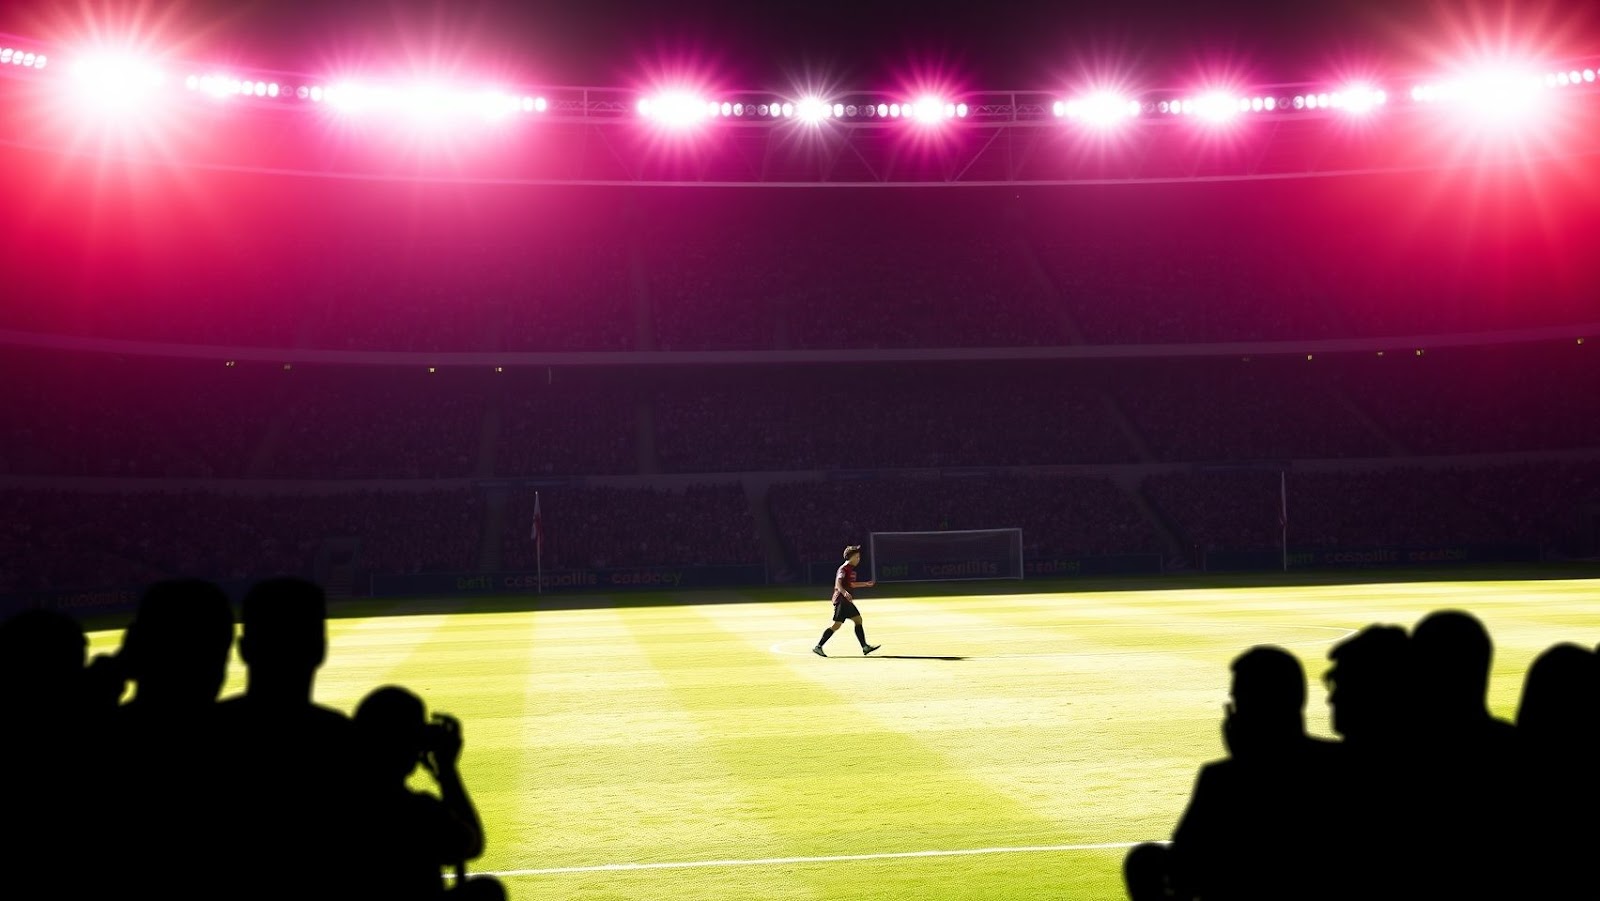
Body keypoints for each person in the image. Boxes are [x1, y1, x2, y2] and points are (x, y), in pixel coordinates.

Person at [813, 544, 879, 657]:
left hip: (845, 601)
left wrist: (865, 584)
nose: (859, 559)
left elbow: (851, 584)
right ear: (851, 557)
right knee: (837, 625)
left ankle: (865, 647)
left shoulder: (850, 569)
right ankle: (818, 646)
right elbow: (838, 582)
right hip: (842, 601)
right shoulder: (844, 568)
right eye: (857, 557)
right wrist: (844, 593)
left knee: (856, 620)